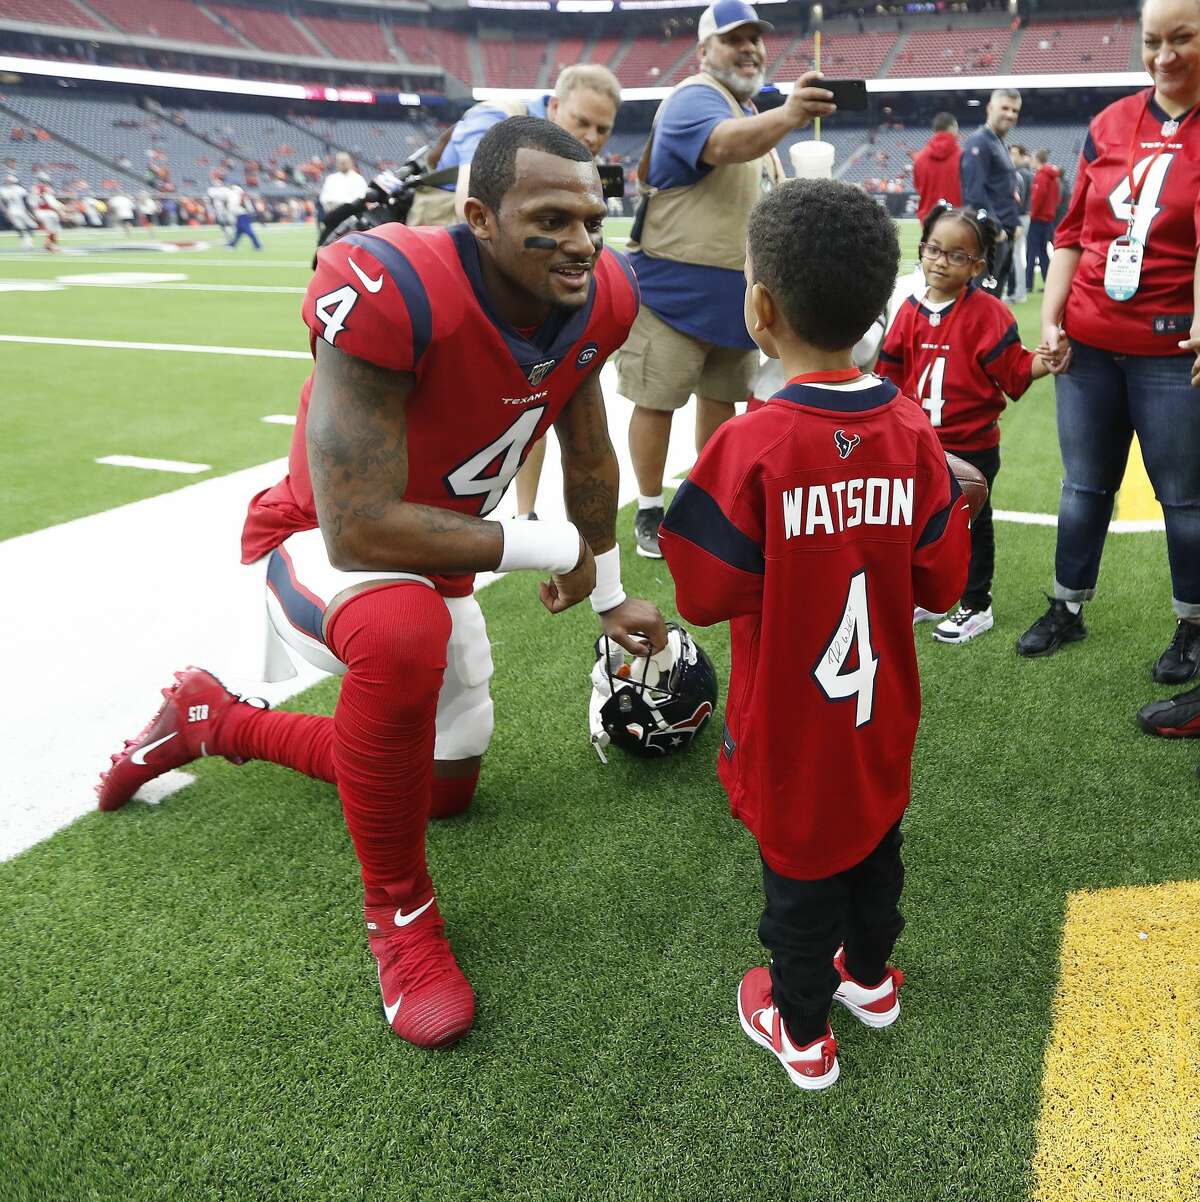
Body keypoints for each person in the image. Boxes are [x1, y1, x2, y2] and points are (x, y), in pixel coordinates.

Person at [97, 118, 667, 1051]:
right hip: (316, 541)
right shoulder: (391, 287)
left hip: (442, 557)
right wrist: (543, 544)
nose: (580, 241)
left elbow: (588, 441)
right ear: (478, 216)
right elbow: (356, 528)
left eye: (592, 218)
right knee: (406, 638)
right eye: (551, 217)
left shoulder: (597, 295)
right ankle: (399, 917)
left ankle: (214, 720)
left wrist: (605, 590)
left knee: (437, 791)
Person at [659, 179, 972, 1091]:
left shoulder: (749, 446)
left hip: (791, 719)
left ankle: (801, 1031)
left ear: (761, 309)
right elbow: (943, 582)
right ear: (880, 305)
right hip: (881, 711)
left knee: (797, 881)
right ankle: (871, 982)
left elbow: (704, 593)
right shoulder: (911, 429)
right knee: (877, 845)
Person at [1018, 0, 1200, 684]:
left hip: (1168, 349)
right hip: (1089, 346)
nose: (1164, 56)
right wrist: (1051, 318)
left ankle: (1192, 624)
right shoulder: (1109, 123)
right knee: (1083, 486)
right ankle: (1066, 606)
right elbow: (1071, 233)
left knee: (1183, 496)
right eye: (1153, 40)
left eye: (1182, 38)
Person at [621, 0, 836, 558]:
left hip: (734, 298)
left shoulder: (747, 110)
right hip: (673, 290)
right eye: (734, 38)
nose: (749, 48)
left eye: (756, 39)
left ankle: (706, 499)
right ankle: (648, 507)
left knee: (720, 403)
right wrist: (790, 114)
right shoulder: (696, 97)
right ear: (704, 51)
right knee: (658, 399)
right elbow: (719, 146)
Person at [426, 65, 623, 522]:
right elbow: (472, 209)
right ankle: (500, 509)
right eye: (581, 122)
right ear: (554, 106)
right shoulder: (499, 117)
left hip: (515, 259)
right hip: (455, 244)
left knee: (540, 384)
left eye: (602, 129)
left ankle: (524, 512)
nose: (592, 137)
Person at [877, 204, 1051, 644]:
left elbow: (1012, 370)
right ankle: (933, 596)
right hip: (921, 443)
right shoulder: (908, 311)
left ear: (976, 265)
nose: (940, 260)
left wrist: (1044, 362)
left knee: (970, 522)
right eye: (934, 249)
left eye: (956, 255)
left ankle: (977, 604)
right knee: (919, 524)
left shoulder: (987, 313)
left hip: (971, 446)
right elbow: (890, 377)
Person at [960, 89, 1022, 297]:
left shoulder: (998, 143)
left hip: (1003, 236)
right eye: (1005, 108)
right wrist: (995, 228)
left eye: (1015, 110)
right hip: (989, 239)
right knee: (979, 303)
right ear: (990, 108)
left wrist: (1015, 224)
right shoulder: (979, 142)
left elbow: (1003, 189)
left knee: (991, 304)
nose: (1010, 114)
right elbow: (975, 194)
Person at [911, 112, 962, 225]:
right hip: (956, 222)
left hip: (929, 223)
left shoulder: (919, 159)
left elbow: (919, 188)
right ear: (952, 127)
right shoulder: (963, 157)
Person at [1026, 149, 1061, 293]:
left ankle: (1028, 284)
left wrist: (1031, 215)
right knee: (1042, 252)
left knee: (1032, 252)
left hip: (1038, 220)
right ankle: (1048, 282)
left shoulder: (1041, 177)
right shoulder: (1054, 177)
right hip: (1048, 219)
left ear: (1037, 159)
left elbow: (1037, 198)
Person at [1005, 143, 1032, 303]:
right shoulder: (1026, 173)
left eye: (1014, 153)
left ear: (1022, 155)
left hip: (1019, 218)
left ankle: (1019, 293)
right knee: (1017, 256)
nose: (1011, 157)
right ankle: (1017, 291)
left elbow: (1017, 200)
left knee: (1016, 256)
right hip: (1023, 216)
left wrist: (1015, 223)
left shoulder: (1019, 174)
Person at [318, 151, 367, 216]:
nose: (343, 164)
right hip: (336, 215)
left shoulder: (358, 178)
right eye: (340, 162)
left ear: (350, 162)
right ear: (337, 163)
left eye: (345, 161)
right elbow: (325, 198)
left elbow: (362, 196)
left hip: (355, 214)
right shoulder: (331, 179)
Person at [31, 174, 65, 253]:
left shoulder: (34, 188)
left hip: (38, 211)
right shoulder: (46, 189)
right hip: (47, 212)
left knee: (51, 230)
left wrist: (33, 213)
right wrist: (60, 211)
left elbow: (32, 203)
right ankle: (50, 245)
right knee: (54, 230)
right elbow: (51, 202)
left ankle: (49, 245)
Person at [0, 172, 35, 248]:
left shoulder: (19, 189)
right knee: (19, 226)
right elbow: (4, 203)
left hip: (22, 210)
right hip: (13, 210)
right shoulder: (3, 190)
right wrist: (6, 212)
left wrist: (29, 211)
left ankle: (29, 240)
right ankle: (24, 240)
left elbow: (25, 201)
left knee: (32, 225)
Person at [226, 184, 262, 250]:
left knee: (248, 231)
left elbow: (242, 203)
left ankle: (258, 245)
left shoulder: (238, 193)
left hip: (243, 214)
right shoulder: (238, 193)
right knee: (239, 231)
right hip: (240, 214)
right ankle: (232, 245)